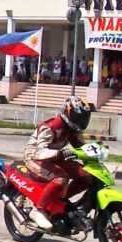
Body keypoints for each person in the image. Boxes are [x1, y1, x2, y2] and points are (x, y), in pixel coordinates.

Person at [23, 96, 92, 230]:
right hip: (34, 158)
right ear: (68, 113)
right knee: (61, 179)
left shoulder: (73, 130)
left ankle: (61, 200)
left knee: (87, 175)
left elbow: (82, 147)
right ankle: (38, 210)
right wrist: (57, 153)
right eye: (79, 117)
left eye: (84, 118)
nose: (81, 121)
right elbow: (39, 152)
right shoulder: (50, 127)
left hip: (55, 157)